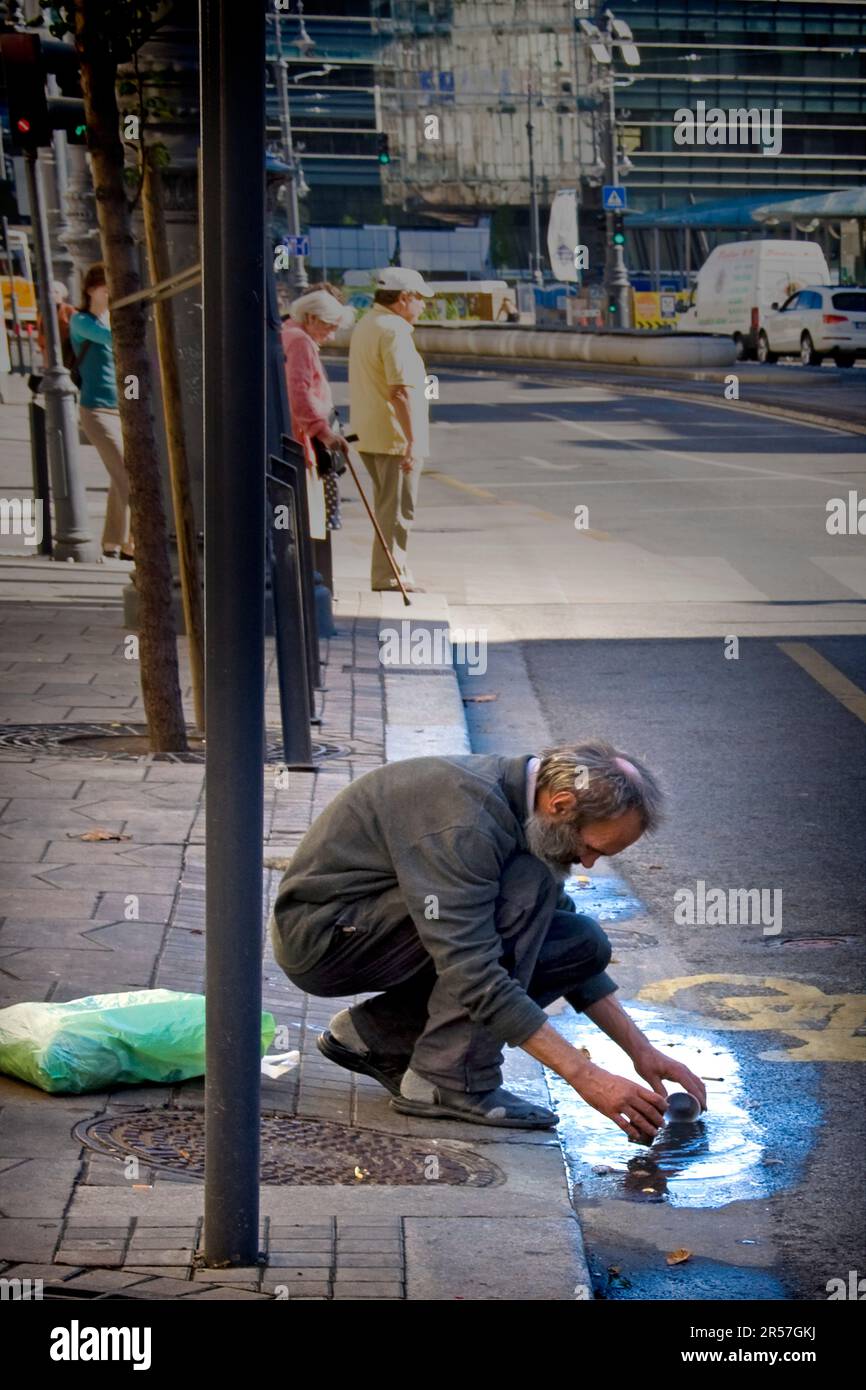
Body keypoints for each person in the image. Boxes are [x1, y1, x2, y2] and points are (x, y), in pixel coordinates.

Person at [271, 740, 706, 1136]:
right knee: (526, 888)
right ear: (561, 803)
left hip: (380, 923)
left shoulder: (524, 802)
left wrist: (640, 1050)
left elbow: (559, 936)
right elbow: (473, 972)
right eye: (592, 847)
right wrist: (587, 1077)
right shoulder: (468, 825)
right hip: (326, 937)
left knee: (581, 941)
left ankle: (376, 1035)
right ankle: (449, 1081)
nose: (589, 863)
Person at [347, 267, 433, 593]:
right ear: (403, 299)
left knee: (388, 505)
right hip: (393, 436)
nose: (423, 306)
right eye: (420, 299)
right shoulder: (394, 331)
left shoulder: (367, 324)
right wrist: (411, 441)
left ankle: (394, 570)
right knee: (397, 509)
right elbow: (399, 390)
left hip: (370, 432)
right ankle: (389, 575)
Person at [69, 263, 133, 561]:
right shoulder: (81, 321)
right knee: (127, 475)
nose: (110, 291)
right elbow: (113, 339)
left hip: (120, 408)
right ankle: (136, 543)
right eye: (105, 285)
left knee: (119, 476)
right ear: (91, 288)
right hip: (95, 410)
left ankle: (112, 542)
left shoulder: (110, 318)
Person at [281, 285, 354, 540]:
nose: (331, 335)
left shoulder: (289, 333)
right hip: (302, 438)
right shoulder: (300, 341)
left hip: (297, 434)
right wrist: (324, 433)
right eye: (330, 326)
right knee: (306, 514)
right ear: (311, 317)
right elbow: (298, 392)